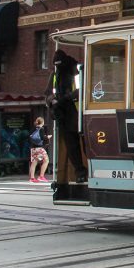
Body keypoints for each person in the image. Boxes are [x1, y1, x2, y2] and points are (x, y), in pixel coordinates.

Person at [45, 49, 88, 184]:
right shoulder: (55, 75)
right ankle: (79, 172)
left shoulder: (77, 71)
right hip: (64, 116)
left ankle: (87, 170)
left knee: (85, 144)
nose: (58, 67)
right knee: (71, 146)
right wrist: (51, 101)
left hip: (79, 114)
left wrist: (63, 99)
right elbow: (47, 94)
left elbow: (82, 90)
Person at [28, 117, 50, 184]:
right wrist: (48, 137)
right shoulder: (41, 129)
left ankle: (32, 178)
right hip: (39, 148)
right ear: (42, 122)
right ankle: (41, 176)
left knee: (34, 162)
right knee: (46, 160)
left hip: (33, 148)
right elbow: (42, 137)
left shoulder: (33, 128)